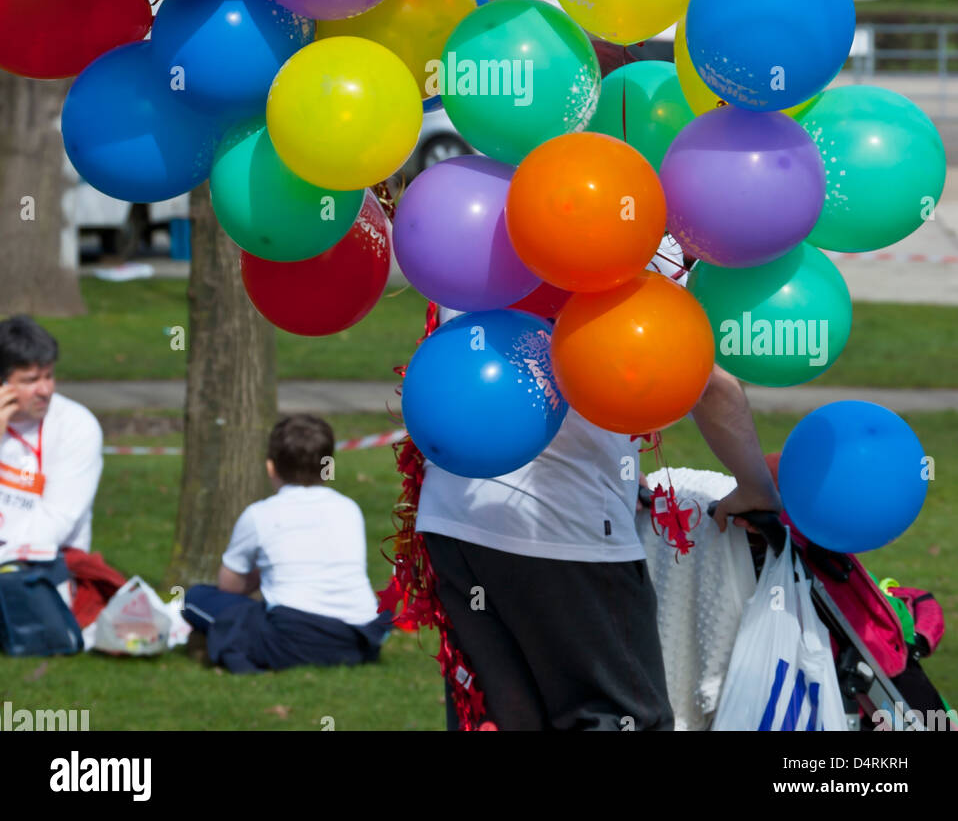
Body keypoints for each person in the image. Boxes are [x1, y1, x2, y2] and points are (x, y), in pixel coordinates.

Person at [416, 239, 782, 731]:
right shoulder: (625, 241)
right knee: (618, 717)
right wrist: (756, 485)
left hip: (456, 515)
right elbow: (702, 381)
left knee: (500, 719)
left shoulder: (485, 225)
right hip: (565, 528)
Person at [183, 414, 392, 674]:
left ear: (271, 467)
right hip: (361, 636)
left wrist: (260, 574)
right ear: (328, 465)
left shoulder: (259, 515)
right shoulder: (349, 508)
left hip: (295, 638)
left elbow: (230, 586)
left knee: (195, 598)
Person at [0, 315, 103, 566]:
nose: (45, 390)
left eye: (49, 376)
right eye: (31, 380)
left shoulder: (76, 425)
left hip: (43, 567)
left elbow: (54, 525)